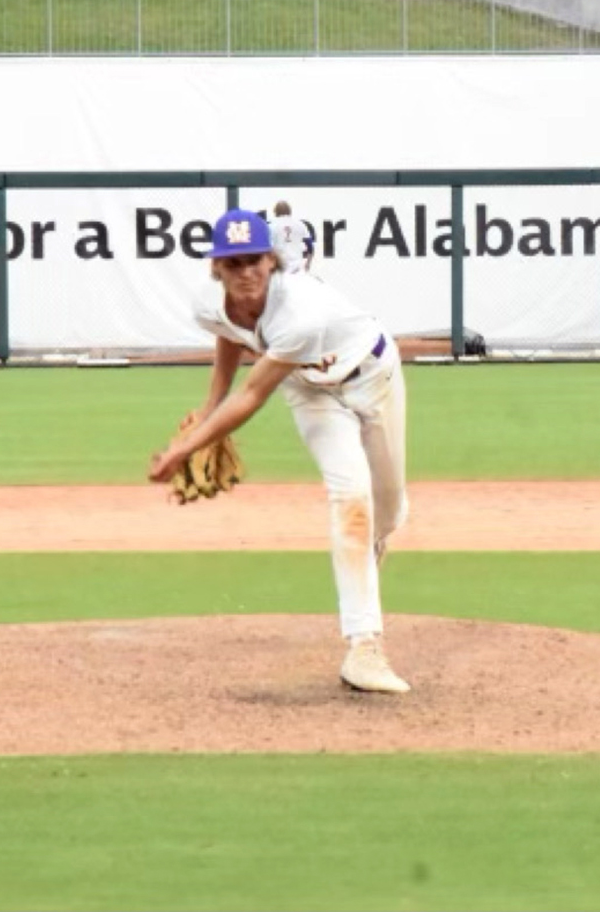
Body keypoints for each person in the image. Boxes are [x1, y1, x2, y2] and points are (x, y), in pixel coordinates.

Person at [147, 208, 410, 694]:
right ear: (216, 269)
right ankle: (364, 647)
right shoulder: (208, 304)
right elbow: (231, 334)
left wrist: (186, 446)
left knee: (388, 512)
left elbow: (251, 396)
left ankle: (373, 549)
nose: (244, 272)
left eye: (253, 260)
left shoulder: (301, 310)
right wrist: (208, 411)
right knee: (351, 500)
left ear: (272, 261)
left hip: (373, 377)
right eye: (232, 263)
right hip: (311, 393)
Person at [265, 200, 316, 276]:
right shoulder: (300, 225)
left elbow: (267, 249)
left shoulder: (271, 226)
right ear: (290, 211)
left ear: (275, 212)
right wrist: (308, 264)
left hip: (280, 268)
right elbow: (310, 247)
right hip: (297, 268)